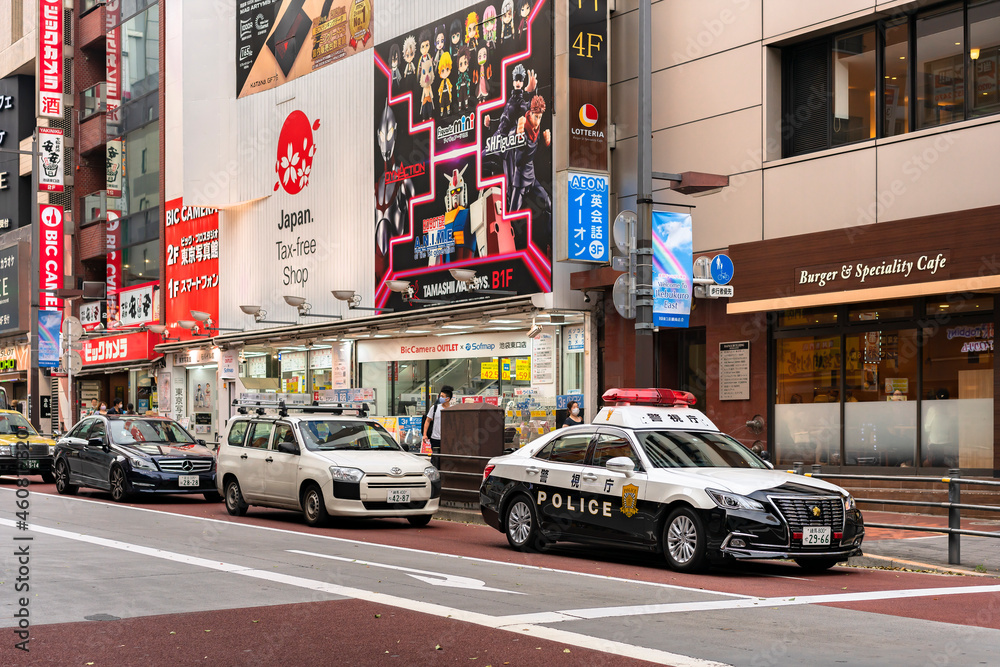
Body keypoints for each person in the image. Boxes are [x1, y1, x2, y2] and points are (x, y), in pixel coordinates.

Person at [422, 385, 453, 463]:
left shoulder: (453, 409)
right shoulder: (435, 408)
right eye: (440, 396)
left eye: (442, 396)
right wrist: (425, 434)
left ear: (447, 399)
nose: (440, 398)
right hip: (435, 438)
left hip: (448, 439)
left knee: (447, 459)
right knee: (436, 458)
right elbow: (427, 420)